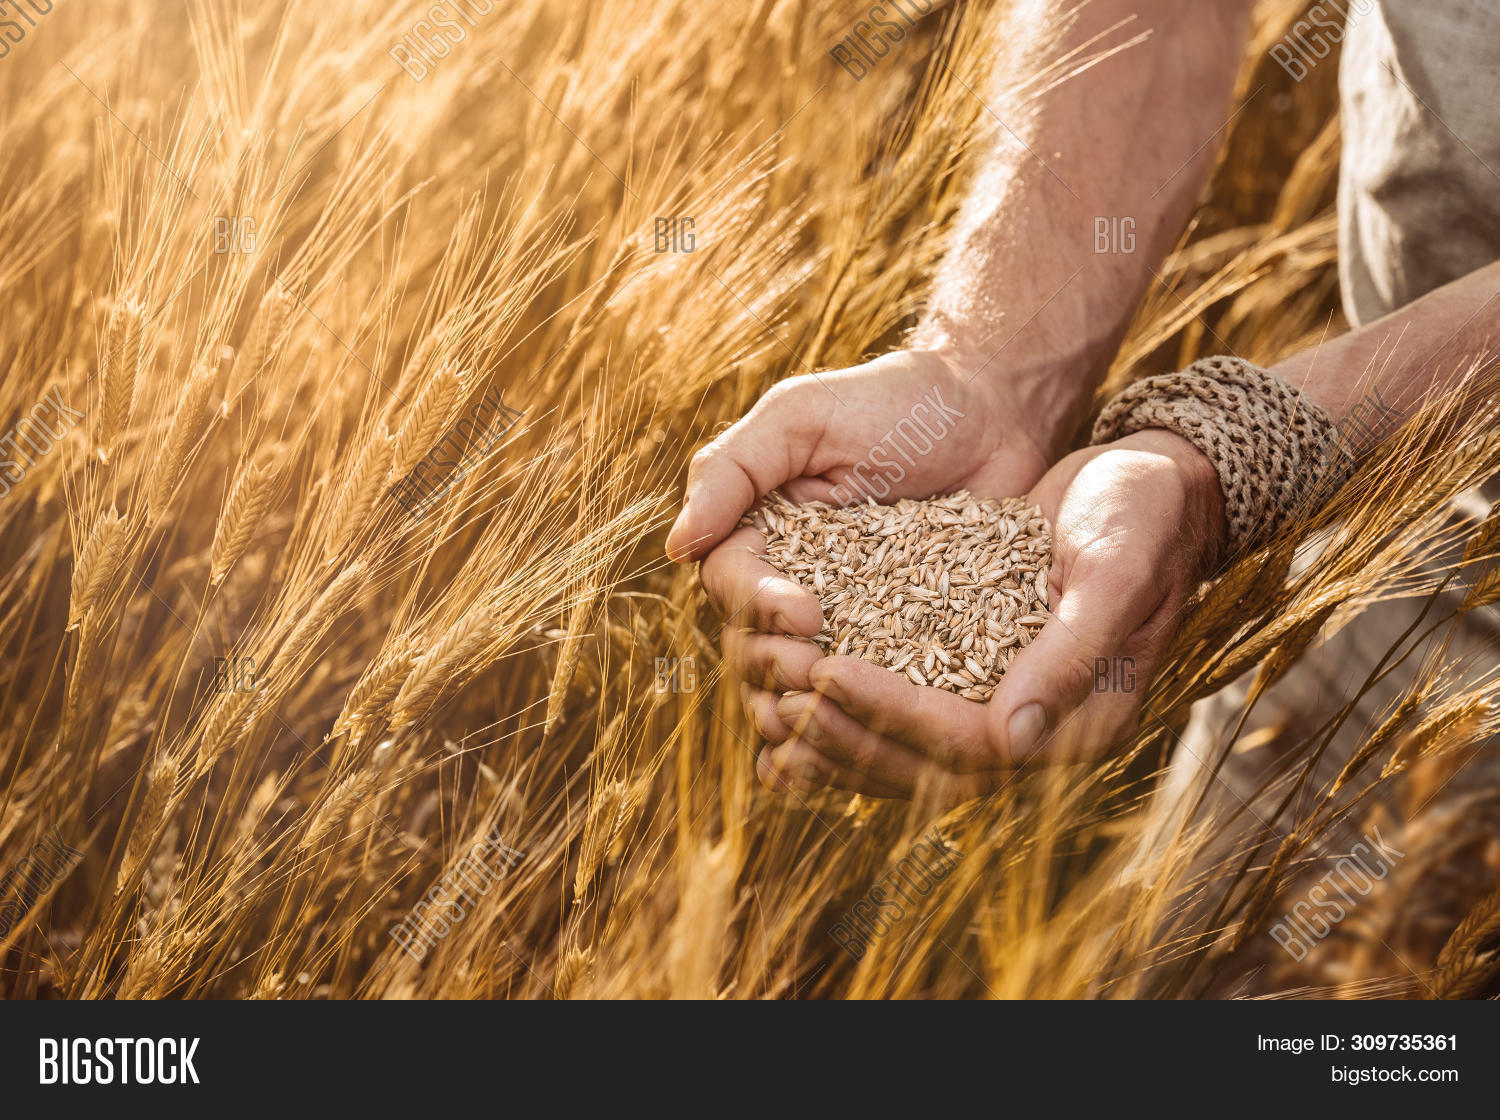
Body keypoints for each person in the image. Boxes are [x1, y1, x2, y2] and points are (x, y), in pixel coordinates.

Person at [665, 0, 1500, 810]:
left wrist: (1229, 446)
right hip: (1395, 533)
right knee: (1185, 942)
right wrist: (991, 367)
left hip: (1392, 505)